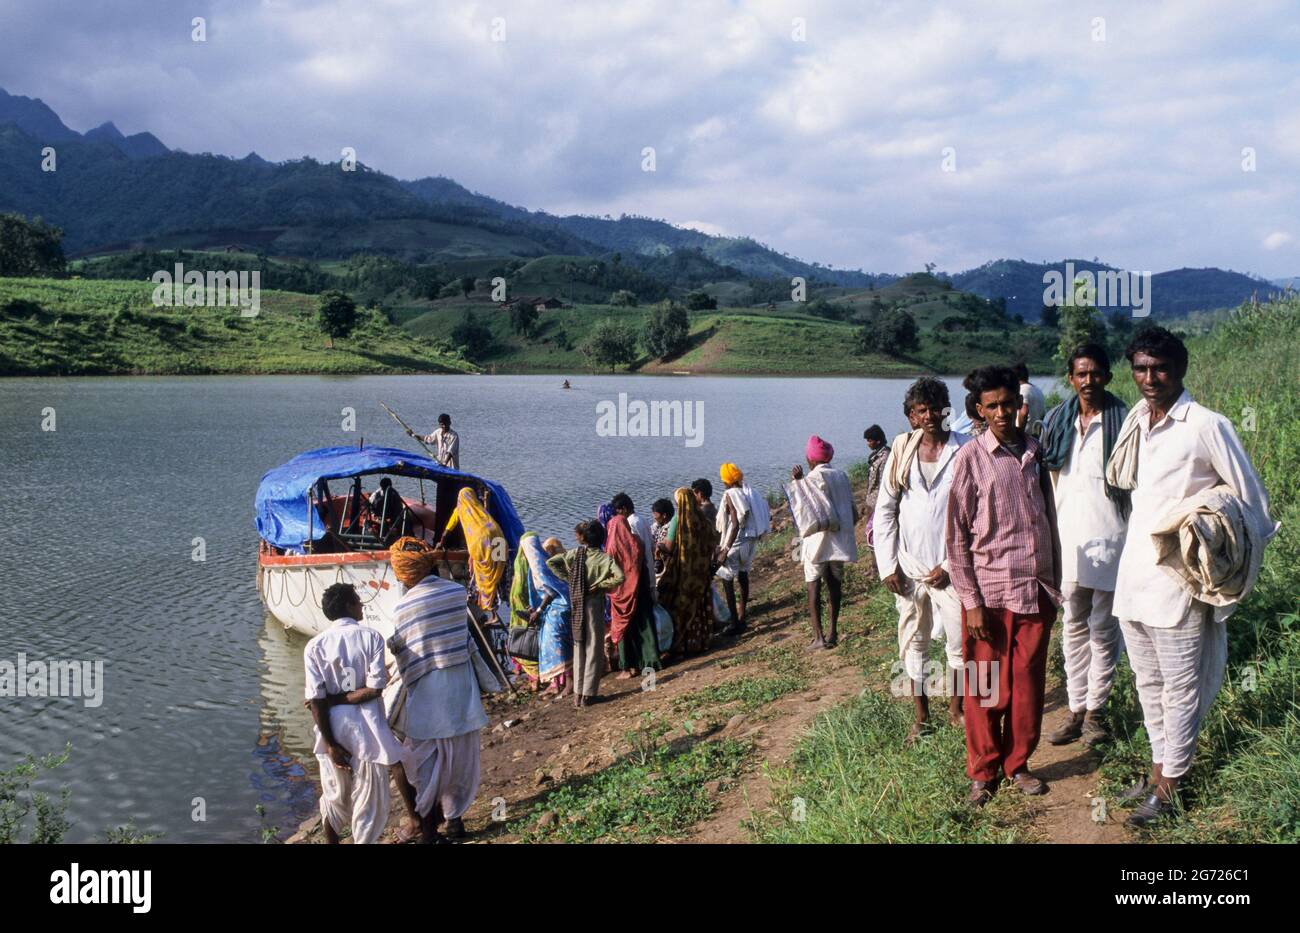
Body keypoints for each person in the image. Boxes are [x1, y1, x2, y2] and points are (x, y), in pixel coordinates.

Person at [1107, 325, 1275, 828]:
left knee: (1181, 687)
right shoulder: (1138, 419)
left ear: (1180, 369)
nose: (1150, 377)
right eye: (1141, 368)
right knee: (1147, 682)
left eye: (1160, 367)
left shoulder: (1207, 424)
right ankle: (1159, 769)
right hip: (1134, 576)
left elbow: (1255, 506)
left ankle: (1171, 787)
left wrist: (1212, 534)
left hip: (1179, 581)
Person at [946, 366, 1061, 807]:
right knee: (985, 687)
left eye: (1007, 403)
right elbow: (956, 539)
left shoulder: (1035, 452)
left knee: (1028, 685)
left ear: (1020, 404)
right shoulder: (971, 460)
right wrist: (971, 603)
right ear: (978, 410)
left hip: (1034, 591)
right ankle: (983, 770)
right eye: (991, 405)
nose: (1001, 411)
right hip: (989, 596)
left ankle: (1018, 764)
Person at [1039, 343, 1130, 748]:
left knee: (1105, 628)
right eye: (1081, 374)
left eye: (1096, 373)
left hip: (1113, 540)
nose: (1088, 381)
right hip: (1069, 542)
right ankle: (1076, 708)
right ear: (1071, 378)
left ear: (1108, 376)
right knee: (1073, 626)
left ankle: (1097, 712)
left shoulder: (1125, 421)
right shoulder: (1057, 421)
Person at [874, 378, 970, 741]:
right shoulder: (901, 451)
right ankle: (921, 717)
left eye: (936, 408)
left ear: (947, 409)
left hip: (953, 567)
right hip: (910, 567)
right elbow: (885, 512)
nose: (930, 416)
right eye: (921, 410)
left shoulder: (966, 450)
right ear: (911, 416)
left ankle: (957, 709)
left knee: (959, 644)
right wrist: (888, 566)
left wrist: (949, 565)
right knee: (916, 640)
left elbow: (975, 517)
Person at [387, 539, 488, 843]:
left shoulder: (403, 607)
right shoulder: (457, 593)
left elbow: (405, 654)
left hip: (428, 692)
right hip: (461, 685)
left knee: (426, 762)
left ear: (403, 574)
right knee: (460, 755)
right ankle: (455, 821)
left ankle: (428, 832)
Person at [305, 582, 410, 845]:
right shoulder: (371, 637)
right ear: (349, 606)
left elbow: (315, 701)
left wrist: (330, 744)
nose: (362, 605)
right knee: (368, 794)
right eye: (358, 600)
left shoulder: (314, 646)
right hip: (367, 727)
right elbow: (375, 689)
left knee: (334, 794)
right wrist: (335, 699)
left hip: (331, 727)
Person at [789, 435, 858, 649]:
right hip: (839, 542)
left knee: (813, 586)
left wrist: (798, 482)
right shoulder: (842, 476)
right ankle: (833, 632)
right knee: (834, 585)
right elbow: (853, 512)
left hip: (816, 541)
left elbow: (803, 511)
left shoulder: (810, 478)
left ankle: (819, 637)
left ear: (810, 459)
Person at [548, 521, 624, 706]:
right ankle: (589, 694)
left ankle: (578, 694)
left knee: (579, 644)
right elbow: (620, 577)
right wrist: (600, 585)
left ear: (584, 538)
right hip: (594, 603)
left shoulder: (576, 554)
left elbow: (552, 562)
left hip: (577, 603)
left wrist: (571, 579)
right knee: (594, 647)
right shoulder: (603, 559)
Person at [509, 532, 573, 697]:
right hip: (551, 610)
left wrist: (538, 610)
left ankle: (568, 683)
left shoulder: (541, 565)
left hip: (558, 609)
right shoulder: (537, 565)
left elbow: (551, 590)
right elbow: (539, 591)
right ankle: (557, 682)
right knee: (551, 647)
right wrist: (534, 608)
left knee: (557, 646)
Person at [658, 486, 719, 656]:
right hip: (701, 572)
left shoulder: (678, 519)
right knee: (699, 603)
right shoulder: (702, 519)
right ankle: (700, 640)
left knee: (682, 605)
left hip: (684, 572)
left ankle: (683, 643)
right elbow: (713, 541)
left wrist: (657, 546)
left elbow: (669, 547)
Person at [605, 513, 662, 679]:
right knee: (644, 626)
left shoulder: (612, 547)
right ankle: (651, 661)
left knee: (623, 629)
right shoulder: (637, 541)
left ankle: (628, 667)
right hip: (641, 588)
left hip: (622, 594)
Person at [714, 462, 765, 635]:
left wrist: (725, 549)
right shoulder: (749, 492)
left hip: (737, 542)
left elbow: (735, 523)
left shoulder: (730, 493)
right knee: (743, 575)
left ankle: (735, 623)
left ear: (727, 481)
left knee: (727, 579)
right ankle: (742, 616)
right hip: (750, 542)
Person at [438, 487, 506, 614]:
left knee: (484, 574)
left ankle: (487, 606)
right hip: (499, 536)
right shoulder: (478, 506)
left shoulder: (461, 508)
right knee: (496, 573)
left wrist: (440, 542)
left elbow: (449, 528)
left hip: (482, 540)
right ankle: (495, 613)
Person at [611, 492, 657, 601]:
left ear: (624, 509)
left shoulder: (630, 523)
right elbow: (651, 545)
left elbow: (634, 550)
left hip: (640, 572)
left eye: (618, 511)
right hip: (649, 570)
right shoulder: (642, 519)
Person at [860, 424, 890, 525]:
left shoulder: (885, 457)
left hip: (880, 505)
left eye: (869, 440)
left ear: (878, 441)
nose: (868, 443)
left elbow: (884, 484)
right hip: (873, 505)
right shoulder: (875, 456)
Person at [1015, 362, 1047, 437]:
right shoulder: (1038, 390)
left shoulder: (1022, 390)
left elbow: (1024, 412)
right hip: (1037, 435)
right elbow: (1043, 415)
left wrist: (1020, 434)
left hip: (1026, 435)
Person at [649, 497, 674, 576]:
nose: (654, 517)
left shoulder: (670, 528)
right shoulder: (657, 525)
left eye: (655, 514)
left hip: (665, 566)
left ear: (664, 515)